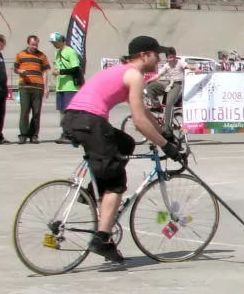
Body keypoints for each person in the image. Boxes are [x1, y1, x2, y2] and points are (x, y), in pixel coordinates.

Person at [62, 36, 185, 264]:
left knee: (125, 143)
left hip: (74, 119)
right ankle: (102, 238)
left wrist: (164, 132)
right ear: (143, 55)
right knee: (116, 184)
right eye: (155, 54)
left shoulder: (122, 72)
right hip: (91, 122)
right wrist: (166, 146)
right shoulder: (134, 75)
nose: (158, 58)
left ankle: (91, 191)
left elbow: (144, 113)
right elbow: (139, 121)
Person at [144, 48, 195, 128]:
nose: (171, 59)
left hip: (177, 85)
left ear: (175, 56)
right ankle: (157, 106)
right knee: (150, 86)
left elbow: (188, 66)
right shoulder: (166, 65)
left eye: (173, 57)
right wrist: (146, 82)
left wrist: (196, 68)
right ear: (167, 58)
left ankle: (166, 127)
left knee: (169, 104)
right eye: (169, 57)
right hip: (168, 85)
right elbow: (158, 76)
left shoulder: (180, 63)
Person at [14, 34, 51, 144]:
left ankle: (33, 134)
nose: (35, 46)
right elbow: (15, 68)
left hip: (37, 87)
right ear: (28, 43)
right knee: (24, 111)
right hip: (25, 87)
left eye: (36, 44)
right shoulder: (20, 54)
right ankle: (23, 134)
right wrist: (20, 71)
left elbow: (45, 72)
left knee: (36, 112)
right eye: (33, 44)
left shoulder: (42, 56)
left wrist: (45, 87)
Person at [50, 32, 82, 142]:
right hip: (60, 86)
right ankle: (65, 132)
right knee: (62, 111)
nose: (54, 44)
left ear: (61, 41)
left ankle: (72, 134)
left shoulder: (70, 52)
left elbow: (75, 68)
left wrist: (61, 71)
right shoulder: (57, 53)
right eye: (52, 43)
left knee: (70, 112)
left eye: (55, 42)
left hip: (70, 87)